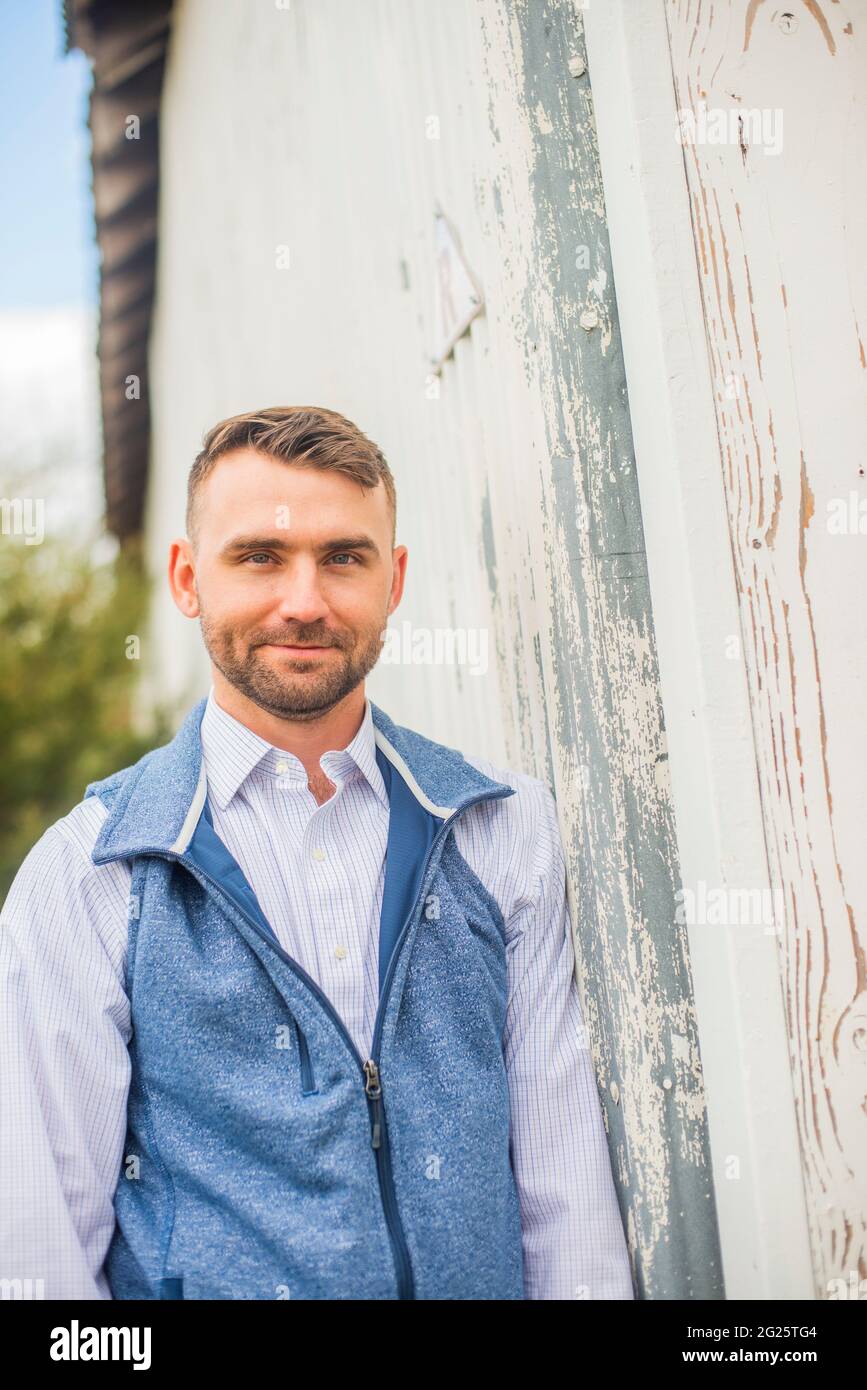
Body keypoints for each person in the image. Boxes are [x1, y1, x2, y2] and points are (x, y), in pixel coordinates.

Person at [0, 406, 634, 1301]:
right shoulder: (91, 877)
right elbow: (39, 1249)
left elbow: (566, 1200)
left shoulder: (502, 830)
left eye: (343, 557)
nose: (303, 601)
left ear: (393, 580)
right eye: (259, 556)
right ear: (186, 578)